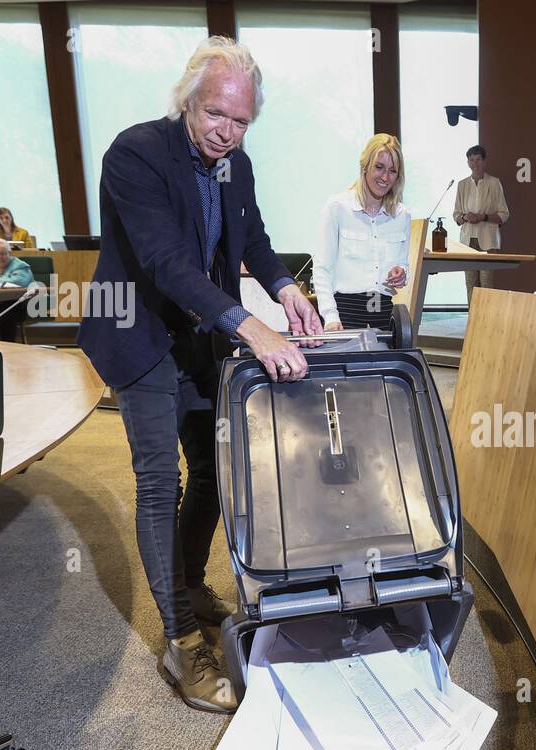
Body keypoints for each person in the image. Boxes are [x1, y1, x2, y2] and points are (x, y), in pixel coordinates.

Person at [76, 36, 323, 714]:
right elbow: (164, 263)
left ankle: (186, 584)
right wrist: (252, 325)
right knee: (162, 479)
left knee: (217, 469)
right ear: (188, 99)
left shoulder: (234, 163)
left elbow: (253, 240)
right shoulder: (135, 154)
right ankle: (181, 640)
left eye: (242, 121)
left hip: (198, 336)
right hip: (140, 331)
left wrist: (286, 289)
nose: (228, 132)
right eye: (217, 115)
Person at [314, 134, 410, 331]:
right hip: (344, 316)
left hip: (384, 316)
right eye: (379, 167)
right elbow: (322, 268)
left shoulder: (402, 215)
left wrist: (401, 273)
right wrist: (331, 316)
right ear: (365, 165)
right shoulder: (337, 207)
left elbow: (403, 263)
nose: (385, 177)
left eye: (392, 171)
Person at [452, 145, 510, 302]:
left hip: (489, 241)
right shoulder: (462, 185)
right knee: (470, 285)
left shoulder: (494, 183)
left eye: (478, 159)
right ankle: (473, 323)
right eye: (471, 160)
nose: (475, 163)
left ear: (484, 162)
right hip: (467, 241)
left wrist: (482, 217)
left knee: (486, 286)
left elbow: (504, 215)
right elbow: (456, 215)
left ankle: (487, 323)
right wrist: (465, 217)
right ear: (467, 162)